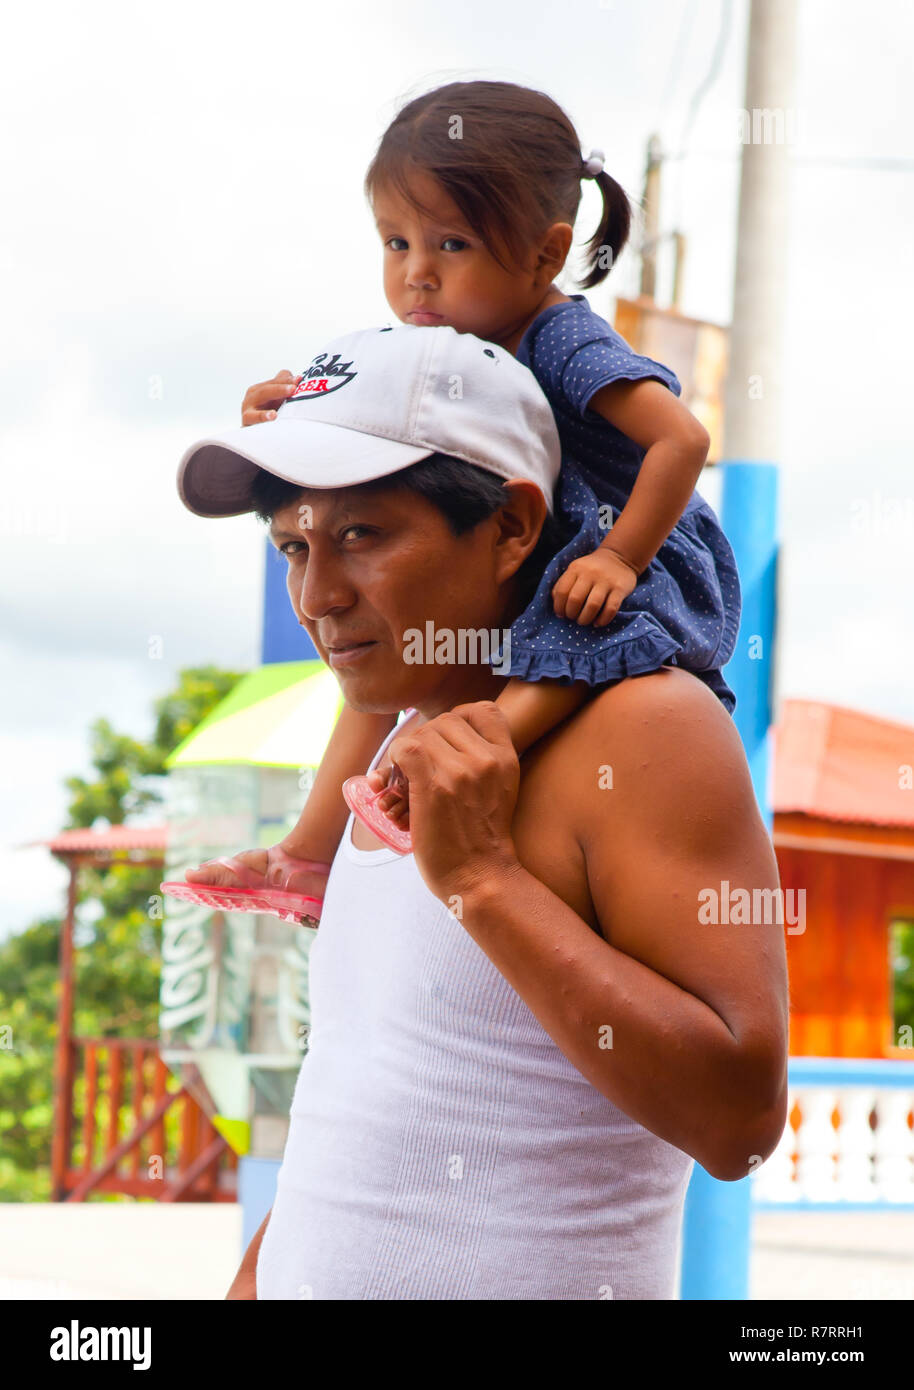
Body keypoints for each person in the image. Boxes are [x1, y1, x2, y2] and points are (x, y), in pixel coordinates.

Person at [176, 324, 788, 1300]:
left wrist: (481, 881)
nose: (317, 595)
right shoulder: (393, 745)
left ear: (511, 524)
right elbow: (364, 1114)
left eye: (361, 535)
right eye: (293, 545)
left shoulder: (643, 725)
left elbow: (737, 1122)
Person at [186, 78, 740, 887]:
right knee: (376, 644)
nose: (416, 274)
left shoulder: (562, 339)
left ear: (546, 254)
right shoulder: (436, 348)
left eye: (451, 245)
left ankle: (467, 754)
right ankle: (309, 852)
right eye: (394, 242)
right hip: (554, 540)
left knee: (571, 621)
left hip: (639, 553)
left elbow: (682, 439)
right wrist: (280, 420)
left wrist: (619, 558)